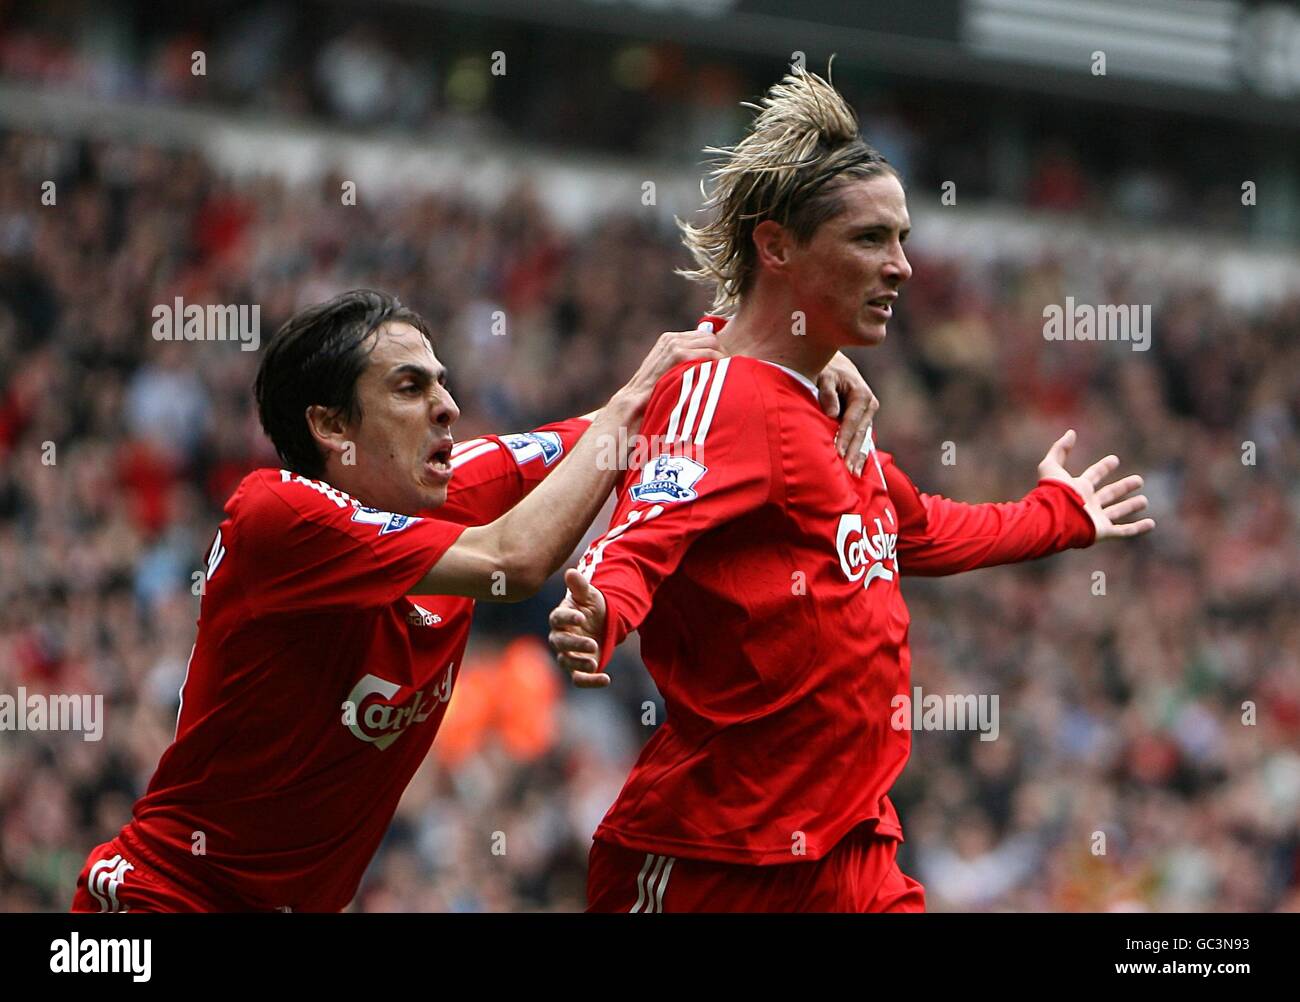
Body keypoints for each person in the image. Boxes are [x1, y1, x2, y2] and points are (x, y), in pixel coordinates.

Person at [547, 68, 1155, 913]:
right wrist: (601, 609)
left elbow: (919, 532)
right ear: (778, 247)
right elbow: (643, 531)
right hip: (713, 859)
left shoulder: (831, 406)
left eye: (902, 239)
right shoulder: (722, 392)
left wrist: (1062, 514)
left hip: (850, 853)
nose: (902, 267)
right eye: (871, 240)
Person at [70, 289, 876, 912]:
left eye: (444, 384)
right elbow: (517, 558)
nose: (449, 407)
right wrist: (638, 403)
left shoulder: (449, 498)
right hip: (153, 900)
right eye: (411, 387)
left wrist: (778, 357)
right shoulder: (275, 514)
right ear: (329, 426)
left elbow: (617, 424)